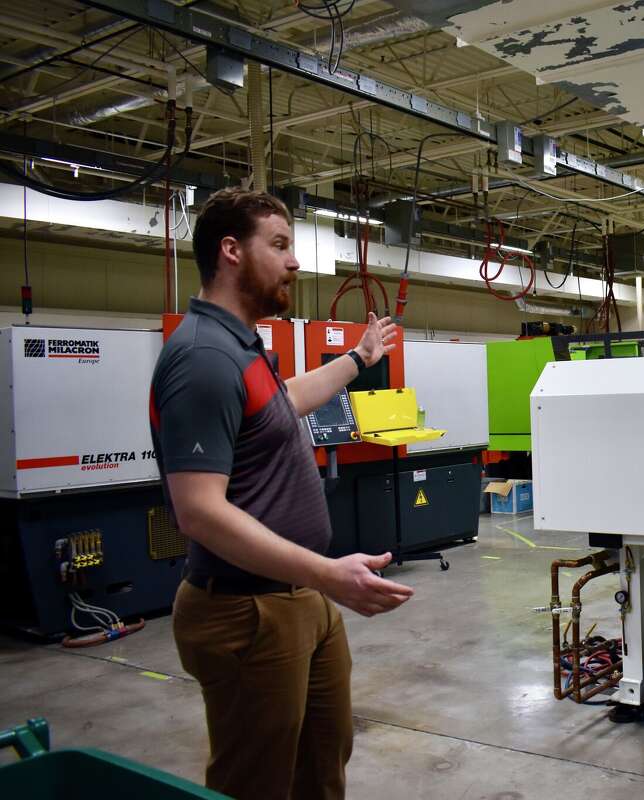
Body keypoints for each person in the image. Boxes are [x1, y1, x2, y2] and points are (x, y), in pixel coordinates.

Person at [149, 188, 414, 800]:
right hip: (247, 611)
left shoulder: (241, 344)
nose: (294, 261)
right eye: (280, 245)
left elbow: (284, 402)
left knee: (322, 764)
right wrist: (326, 572)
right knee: (259, 781)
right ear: (231, 251)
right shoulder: (202, 357)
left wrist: (358, 357)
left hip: (298, 601)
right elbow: (199, 511)